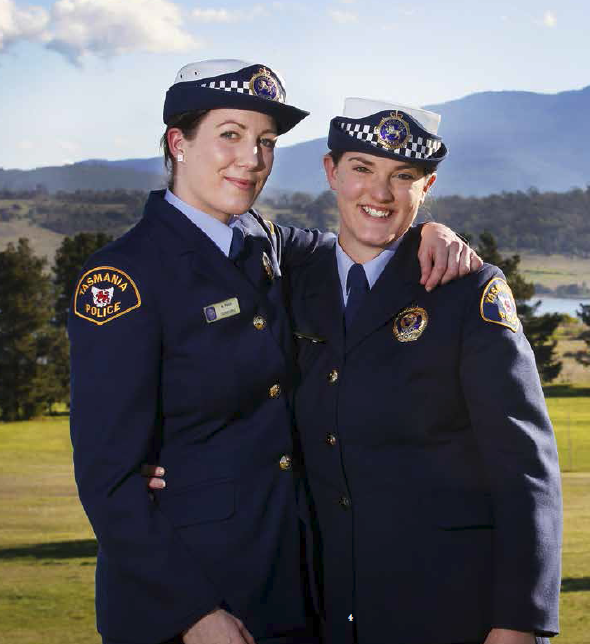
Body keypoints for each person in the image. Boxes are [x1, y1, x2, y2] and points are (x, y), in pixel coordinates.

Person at [69, 61, 479, 644]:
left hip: (289, 588)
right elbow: (107, 480)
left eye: (265, 142)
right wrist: (191, 612)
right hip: (190, 603)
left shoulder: (267, 243)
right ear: (177, 143)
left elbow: (364, 237)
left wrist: (429, 233)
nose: (252, 158)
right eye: (230, 135)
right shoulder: (123, 277)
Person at [285, 99, 563, 644]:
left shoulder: (467, 291)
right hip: (323, 607)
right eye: (362, 169)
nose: (380, 193)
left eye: (402, 176)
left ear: (426, 185)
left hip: (449, 607)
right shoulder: (293, 281)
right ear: (330, 172)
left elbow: (524, 466)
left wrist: (519, 622)